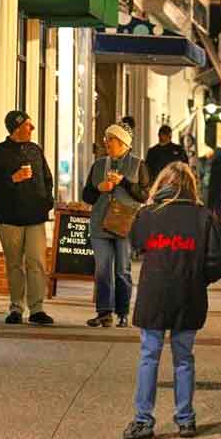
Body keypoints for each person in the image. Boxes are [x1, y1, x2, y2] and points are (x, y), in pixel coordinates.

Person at [123, 163, 221, 439]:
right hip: (188, 293)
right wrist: (198, 277)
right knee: (184, 358)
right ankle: (185, 419)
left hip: (155, 292)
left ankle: (143, 420)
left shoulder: (149, 214)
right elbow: (217, 260)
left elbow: (135, 242)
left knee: (149, 356)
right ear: (191, 186)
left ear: (163, 184)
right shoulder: (203, 217)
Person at [0, 110, 55, 325]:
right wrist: (12, 178)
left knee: (37, 263)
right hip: (9, 218)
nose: (32, 129)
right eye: (28, 125)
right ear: (16, 127)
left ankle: (37, 309)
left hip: (35, 217)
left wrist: (46, 202)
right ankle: (16, 308)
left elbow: (47, 178)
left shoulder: (35, 150)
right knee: (14, 265)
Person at [82, 123, 150, 328]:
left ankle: (122, 312)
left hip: (124, 225)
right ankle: (104, 313)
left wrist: (123, 183)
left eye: (110, 139)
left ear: (123, 143)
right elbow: (86, 195)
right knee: (102, 270)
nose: (106, 142)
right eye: (106, 138)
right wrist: (99, 188)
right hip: (99, 224)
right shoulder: (98, 165)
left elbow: (144, 195)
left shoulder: (139, 165)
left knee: (122, 270)